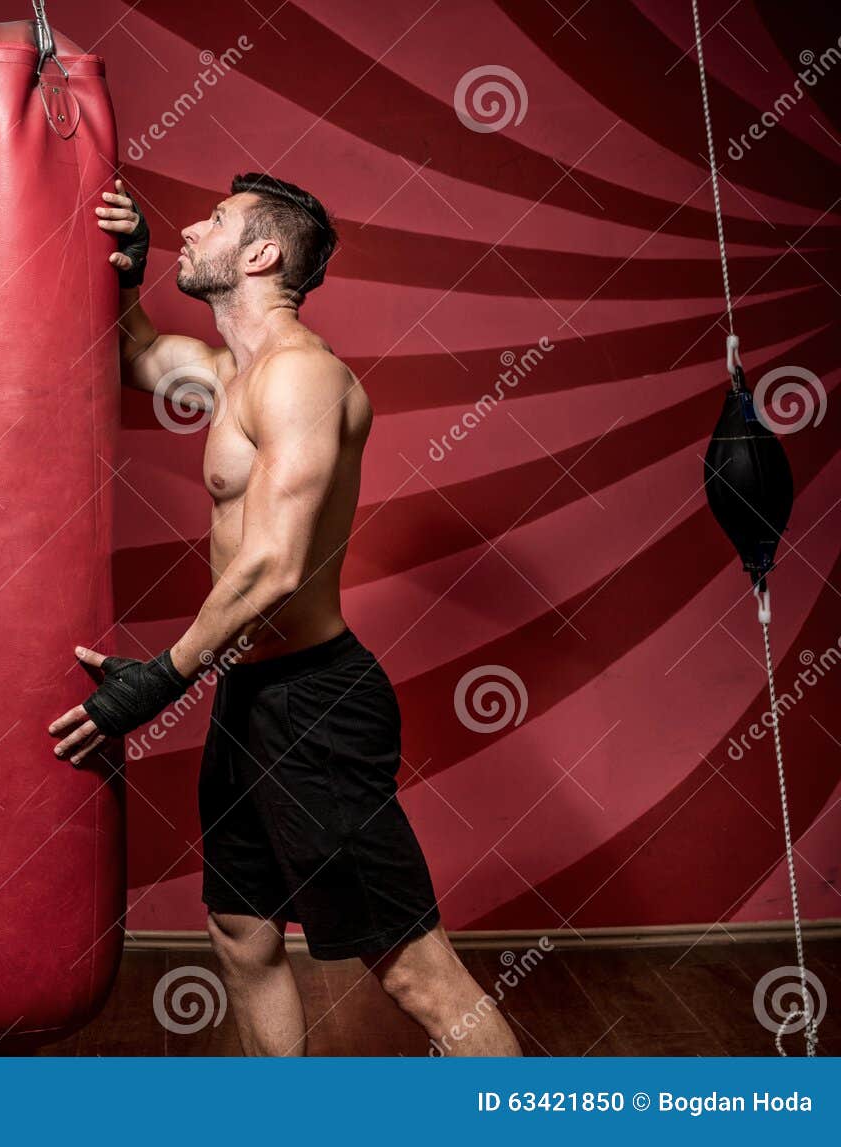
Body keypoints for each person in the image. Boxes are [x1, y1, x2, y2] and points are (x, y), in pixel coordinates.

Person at [46, 174, 521, 1057]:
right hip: (249, 698)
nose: (192, 227)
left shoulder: (303, 377)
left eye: (215, 222)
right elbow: (134, 352)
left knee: (418, 974)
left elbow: (274, 564)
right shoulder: (234, 372)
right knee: (242, 935)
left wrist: (161, 677)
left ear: (260, 255)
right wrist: (126, 269)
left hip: (317, 707)